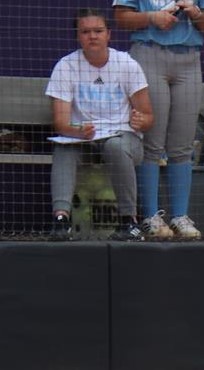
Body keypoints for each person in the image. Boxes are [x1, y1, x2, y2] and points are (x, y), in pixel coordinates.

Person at [112, 0, 204, 240]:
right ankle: (150, 217)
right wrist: (152, 17)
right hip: (149, 54)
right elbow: (121, 17)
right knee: (151, 141)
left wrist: (196, 13)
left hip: (189, 59)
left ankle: (180, 216)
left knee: (183, 143)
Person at [46, 9, 153, 241]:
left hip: (123, 137)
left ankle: (129, 222)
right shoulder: (65, 66)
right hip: (84, 137)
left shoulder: (127, 64)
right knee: (64, 148)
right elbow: (60, 122)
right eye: (86, 32)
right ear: (78, 36)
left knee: (115, 146)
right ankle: (61, 220)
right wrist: (78, 131)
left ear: (109, 35)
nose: (92, 36)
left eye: (98, 31)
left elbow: (147, 116)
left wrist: (140, 120)